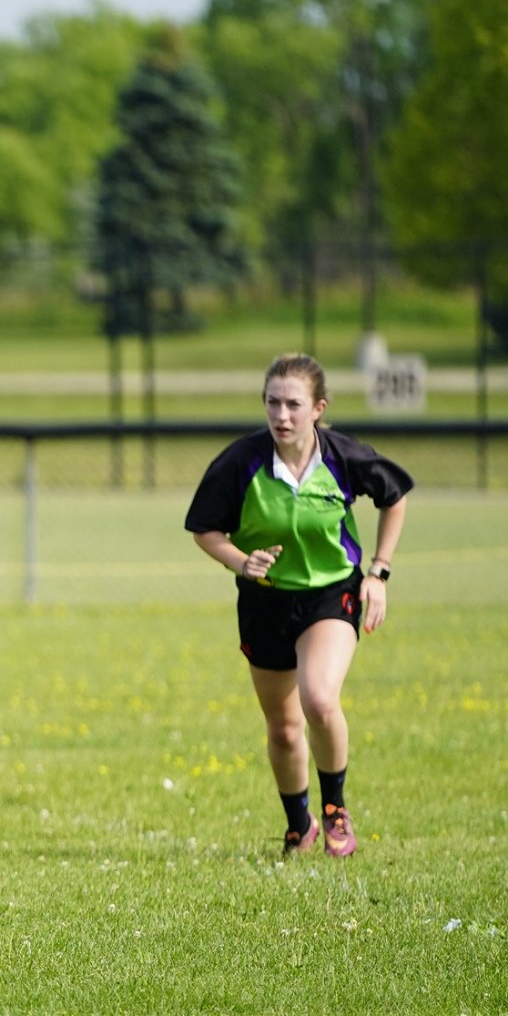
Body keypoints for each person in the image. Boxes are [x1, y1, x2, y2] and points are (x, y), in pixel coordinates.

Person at [186, 353, 412, 856]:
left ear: (318, 408)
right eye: (273, 403)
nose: (281, 415)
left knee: (319, 700)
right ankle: (299, 825)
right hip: (265, 603)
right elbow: (205, 528)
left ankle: (335, 812)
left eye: (293, 404)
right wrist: (241, 561)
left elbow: (394, 495)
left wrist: (379, 571)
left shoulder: (342, 456)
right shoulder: (241, 461)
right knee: (284, 728)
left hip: (331, 594)